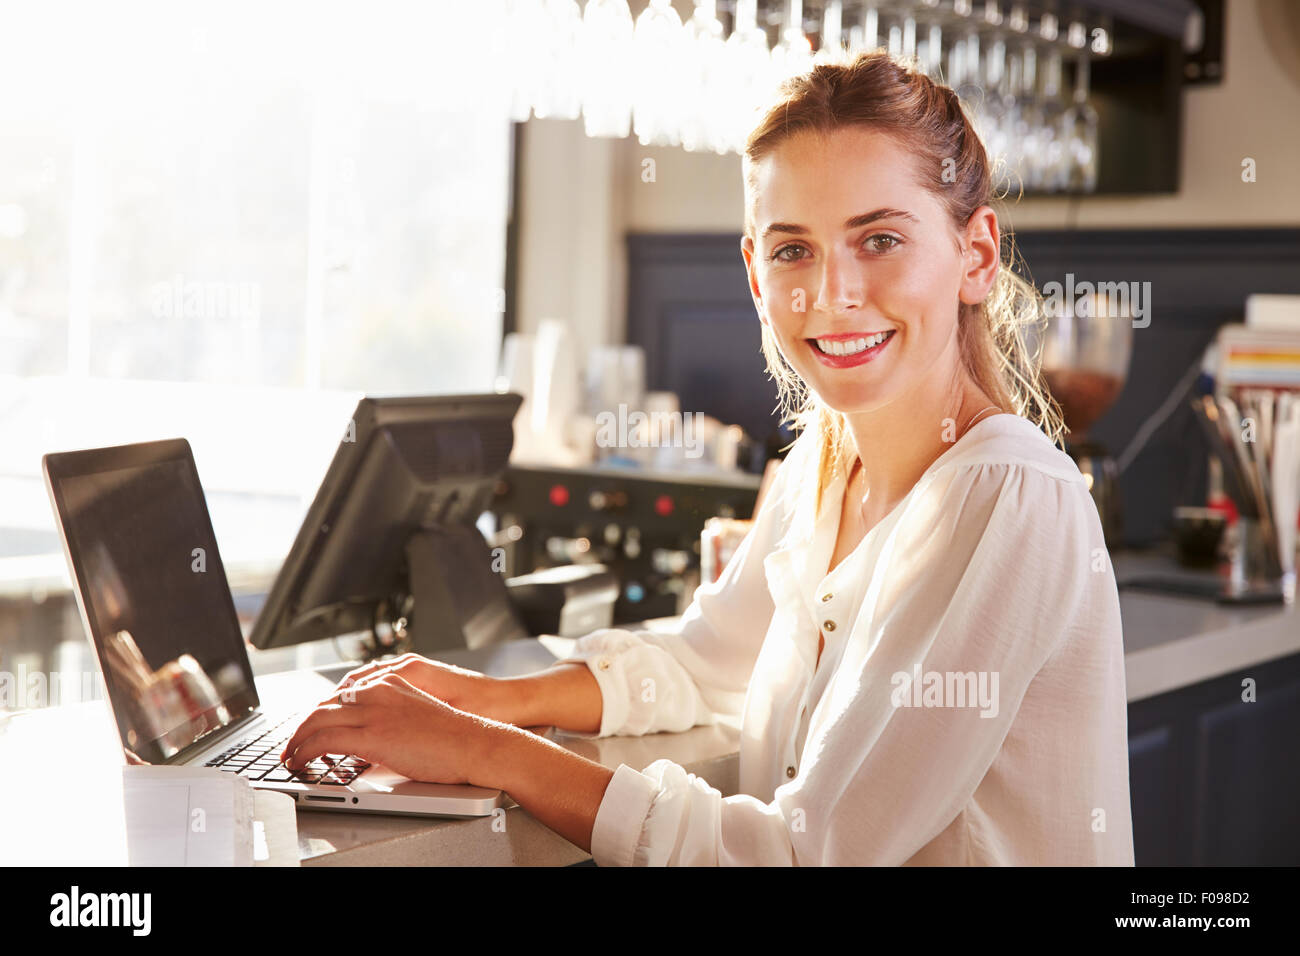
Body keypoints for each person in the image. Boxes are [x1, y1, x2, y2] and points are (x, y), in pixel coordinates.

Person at [281, 51, 1134, 866]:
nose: (831, 294)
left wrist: (486, 752)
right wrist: (493, 697)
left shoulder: (1006, 496)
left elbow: (805, 854)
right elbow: (705, 662)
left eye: (879, 240)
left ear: (975, 256)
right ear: (758, 278)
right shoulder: (821, 470)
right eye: (793, 248)